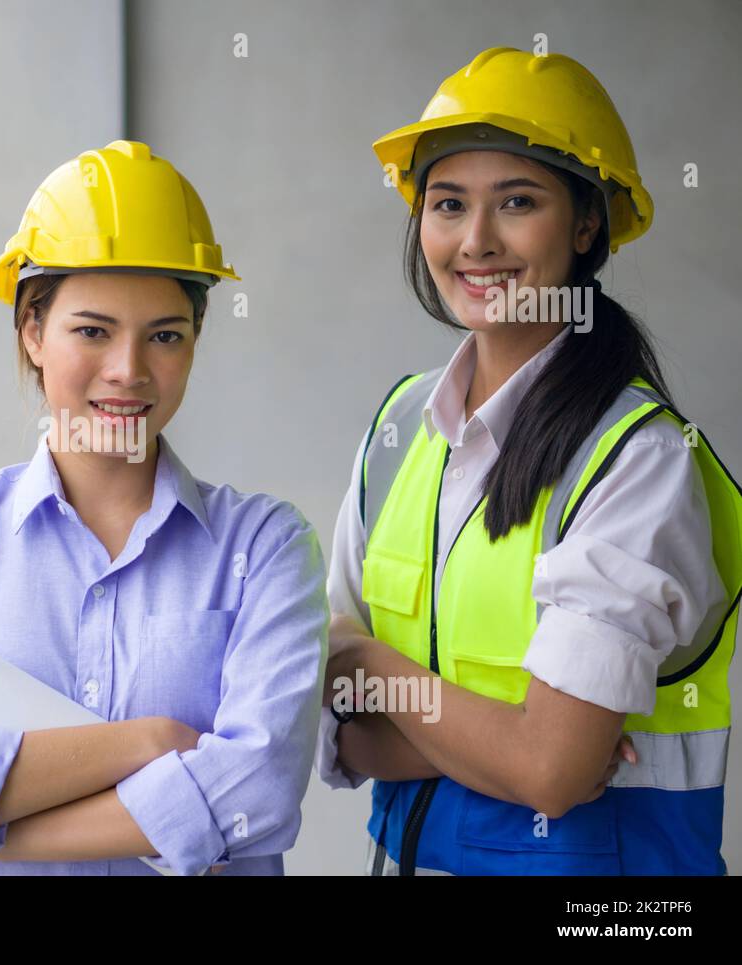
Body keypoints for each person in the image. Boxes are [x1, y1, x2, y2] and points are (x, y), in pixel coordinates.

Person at [0, 140, 328, 875]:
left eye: (165, 335)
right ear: (32, 330)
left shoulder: (266, 547)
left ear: (195, 341)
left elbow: (257, 794)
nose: (128, 370)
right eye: (92, 330)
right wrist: (149, 741)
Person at [316, 47, 741, 874]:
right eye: (448, 204)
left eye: (517, 202)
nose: (476, 241)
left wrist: (368, 664)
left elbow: (548, 770)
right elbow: (330, 719)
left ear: (587, 224)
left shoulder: (635, 458)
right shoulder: (401, 428)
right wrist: (511, 744)